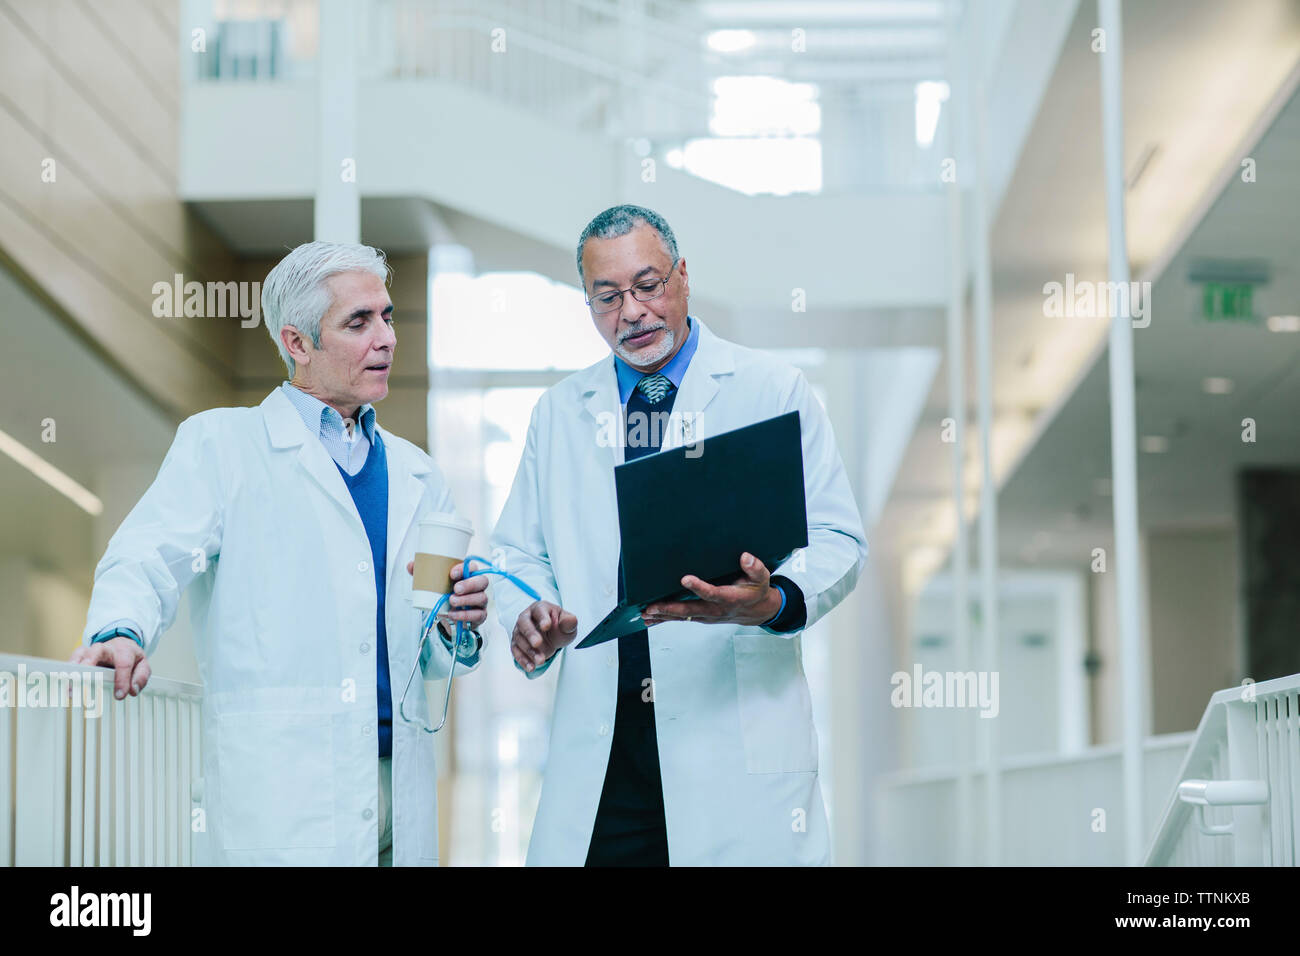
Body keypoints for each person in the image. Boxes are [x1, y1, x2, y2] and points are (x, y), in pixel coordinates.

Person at [71, 242, 488, 866]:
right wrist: (119, 629)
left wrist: (456, 622)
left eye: (388, 315)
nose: (386, 338)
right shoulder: (223, 445)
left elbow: (425, 650)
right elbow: (148, 553)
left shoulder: (418, 474)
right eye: (359, 322)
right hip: (284, 793)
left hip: (398, 788)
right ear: (297, 343)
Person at [491, 205, 867, 865]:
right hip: (607, 751)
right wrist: (529, 609)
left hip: (730, 738)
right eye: (607, 297)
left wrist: (775, 599)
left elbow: (837, 538)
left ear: (683, 277)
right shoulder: (558, 414)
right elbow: (518, 551)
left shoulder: (771, 390)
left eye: (648, 285)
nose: (631, 311)